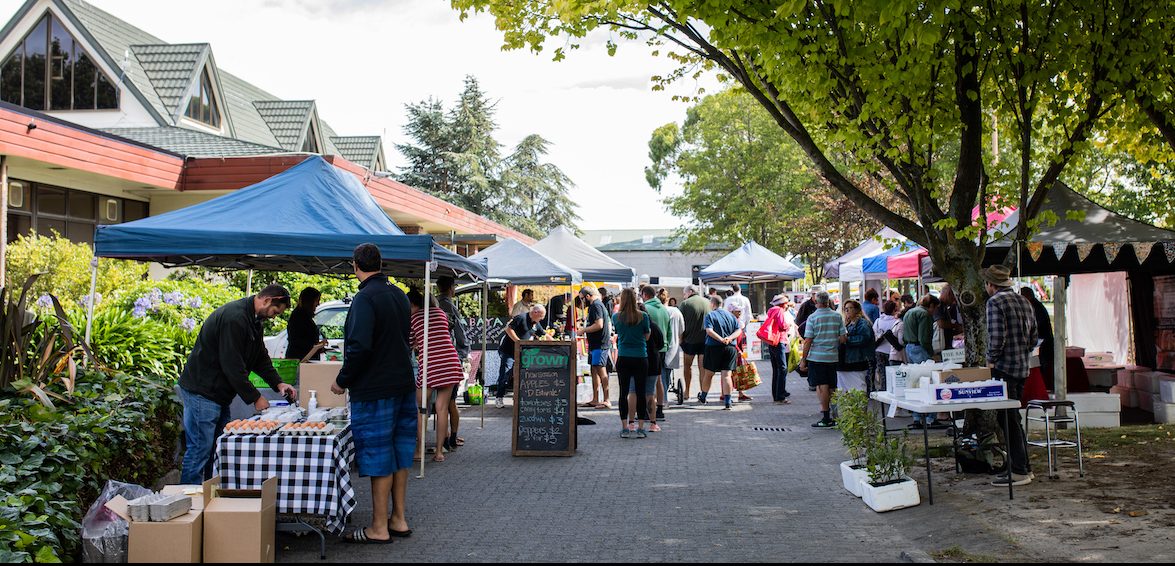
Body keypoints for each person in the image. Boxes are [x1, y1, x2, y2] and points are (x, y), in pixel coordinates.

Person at [331, 244, 415, 543]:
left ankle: (378, 527)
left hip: (374, 389)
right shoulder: (398, 295)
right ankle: (399, 518)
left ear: (356, 266)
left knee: (379, 455)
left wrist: (342, 379)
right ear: (380, 263)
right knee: (400, 452)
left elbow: (360, 347)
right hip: (404, 384)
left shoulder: (364, 298)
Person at [179, 284, 298, 484]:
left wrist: (278, 383)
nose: (274, 316)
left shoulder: (254, 320)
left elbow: (260, 357)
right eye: (275, 311)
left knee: (216, 450)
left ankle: (208, 499)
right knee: (200, 450)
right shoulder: (235, 318)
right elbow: (232, 365)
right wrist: (255, 397)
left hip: (218, 394)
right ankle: (187, 502)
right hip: (202, 391)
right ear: (267, 300)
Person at [984, 265, 1038, 486]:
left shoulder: (995, 302)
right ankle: (1023, 465)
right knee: (1014, 418)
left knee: (1008, 419)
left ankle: (1018, 470)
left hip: (1004, 367)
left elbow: (997, 337)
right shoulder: (1024, 301)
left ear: (990, 285)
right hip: (1023, 367)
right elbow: (1034, 337)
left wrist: (991, 359)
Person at [407, 290, 465, 462]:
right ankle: (439, 452)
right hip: (449, 361)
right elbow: (439, 333)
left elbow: (409, 344)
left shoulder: (414, 318)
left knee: (421, 409)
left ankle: (419, 450)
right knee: (442, 409)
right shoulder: (440, 313)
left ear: (412, 305)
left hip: (430, 364)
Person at [799, 291, 845, 428]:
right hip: (833, 357)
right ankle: (836, 415)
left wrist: (803, 359)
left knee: (821, 386)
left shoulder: (812, 318)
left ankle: (826, 417)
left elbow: (808, 340)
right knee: (832, 386)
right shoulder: (837, 316)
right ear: (828, 301)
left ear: (816, 302)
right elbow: (843, 339)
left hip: (817, 357)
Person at [612, 288, 651, 438]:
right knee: (641, 392)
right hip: (640, 357)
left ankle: (625, 427)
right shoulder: (643, 316)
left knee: (623, 393)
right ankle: (640, 427)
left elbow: (618, 334)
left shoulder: (616, 317)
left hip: (623, 357)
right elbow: (647, 337)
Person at [436, 276, 469, 450]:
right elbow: (459, 332)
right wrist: (464, 353)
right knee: (450, 402)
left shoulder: (433, 305)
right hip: (450, 357)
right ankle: (452, 437)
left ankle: (446, 437)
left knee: (436, 404)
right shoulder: (449, 306)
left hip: (431, 359)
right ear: (451, 288)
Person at [495, 304, 548, 408]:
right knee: (505, 374)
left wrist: (556, 341)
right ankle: (499, 398)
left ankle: (519, 397)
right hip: (508, 351)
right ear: (535, 312)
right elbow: (508, 329)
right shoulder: (521, 317)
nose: (541, 319)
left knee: (523, 375)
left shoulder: (536, 323)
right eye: (541, 316)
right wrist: (518, 342)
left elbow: (544, 334)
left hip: (522, 353)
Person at [902, 294, 940, 429]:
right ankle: (930, 417)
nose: (935, 312)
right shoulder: (925, 315)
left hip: (909, 348)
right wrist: (931, 353)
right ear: (931, 306)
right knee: (930, 381)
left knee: (915, 382)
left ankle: (917, 417)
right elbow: (924, 338)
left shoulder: (909, 312)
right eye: (935, 308)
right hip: (920, 348)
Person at [702, 295, 742, 410]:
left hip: (713, 347)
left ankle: (703, 396)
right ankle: (728, 401)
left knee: (709, 374)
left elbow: (709, 331)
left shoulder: (710, 315)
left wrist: (720, 339)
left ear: (712, 304)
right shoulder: (731, 315)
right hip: (730, 348)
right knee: (727, 375)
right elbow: (739, 330)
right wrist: (729, 339)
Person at [579, 285, 612, 410]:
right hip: (594, 344)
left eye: (582, 299)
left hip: (600, 343)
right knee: (594, 370)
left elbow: (599, 325)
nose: (582, 302)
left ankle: (607, 399)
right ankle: (595, 398)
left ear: (588, 296)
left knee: (601, 370)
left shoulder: (596, 305)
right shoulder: (594, 306)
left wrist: (583, 330)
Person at [640, 286, 671, 419]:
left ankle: (648, 410)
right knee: (660, 380)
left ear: (645, 295)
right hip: (662, 347)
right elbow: (669, 331)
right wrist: (666, 344)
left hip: (649, 348)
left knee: (649, 382)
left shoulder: (644, 309)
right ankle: (660, 409)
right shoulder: (664, 309)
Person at [678, 284, 710, 402]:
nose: (684, 296)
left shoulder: (685, 304)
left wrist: (680, 339)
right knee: (703, 368)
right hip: (705, 340)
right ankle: (703, 393)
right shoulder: (707, 302)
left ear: (690, 292)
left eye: (685, 293)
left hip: (689, 341)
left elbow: (681, 324)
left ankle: (687, 391)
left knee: (687, 367)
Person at [1021, 287, 1054, 391]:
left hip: (1043, 344)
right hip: (1042, 342)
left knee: (1043, 367)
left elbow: (1035, 326)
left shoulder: (1035, 307)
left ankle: (1045, 387)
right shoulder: (1034, 306)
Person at [838, 299, 875, 392]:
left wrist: (847, 339)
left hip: (857, 360)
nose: (847, 311)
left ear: (857, 310)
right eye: (846, 309)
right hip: (848, 361)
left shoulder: (862, 323)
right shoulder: (849, 323)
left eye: (850, 308)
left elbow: (864, 338)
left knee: (858, 386)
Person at [761, 294, 792, 404]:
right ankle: (780, 396)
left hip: (772, 342)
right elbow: (782, 326)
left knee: (776, 369)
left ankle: (776, 395)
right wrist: (789, 325)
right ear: (783, 304)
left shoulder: (771, 310)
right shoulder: (779, 311)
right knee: (782, 369)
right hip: (779, 341)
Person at [285, 287, 326, 362]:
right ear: (310, 301)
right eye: (317, 300)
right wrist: (316, 346)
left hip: (304, 357)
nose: (318, 304)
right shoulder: (299, 317)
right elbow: (298, 341)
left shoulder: (303, 316)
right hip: (301, 358)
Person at [643, 304, 667, 432]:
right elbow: (661, 342)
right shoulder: (654, 326)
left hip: (644, 358)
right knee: (656, 384)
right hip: (654, 357)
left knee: (641, 389)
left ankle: (644, 414)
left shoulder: (636, 326)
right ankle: (659, 410)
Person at [873, 300, 902, 389]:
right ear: (894, 309)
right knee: (893, 374)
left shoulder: (878, 321)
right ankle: (892, 390)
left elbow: (874, 333)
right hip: (892, 351)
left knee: (882, 373)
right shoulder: (896, 322)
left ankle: (883, 390)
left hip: (879, 350)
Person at [663, 296, 686, 406]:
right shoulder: (676, 311)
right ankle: (664, 396)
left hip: (660, 346)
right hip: (673, 346)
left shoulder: (657, 311)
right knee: (667, 372)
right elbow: (682, 329)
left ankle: (663, 398)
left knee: (660, 372)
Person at [862, 288, 881, 388]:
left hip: (862, 340)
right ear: (873, 299)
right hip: (871, 338)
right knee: (872, 364)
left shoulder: (861, 306)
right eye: (876, 299)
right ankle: (871, 386)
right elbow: (877, 323)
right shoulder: (874, 308)